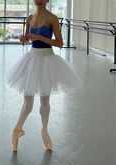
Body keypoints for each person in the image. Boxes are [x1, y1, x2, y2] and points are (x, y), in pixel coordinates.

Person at [7, 0, 82, 152]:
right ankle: (17, 130)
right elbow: (28, 38)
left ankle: (44, 130)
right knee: (28, 102)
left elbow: (60, 43)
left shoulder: (52, 18)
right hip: (32, 59)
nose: (39, 0)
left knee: (44, 101)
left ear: (48, 0)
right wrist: (24, 38)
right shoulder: (29, 18)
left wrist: (40, 38)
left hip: (48, 60)